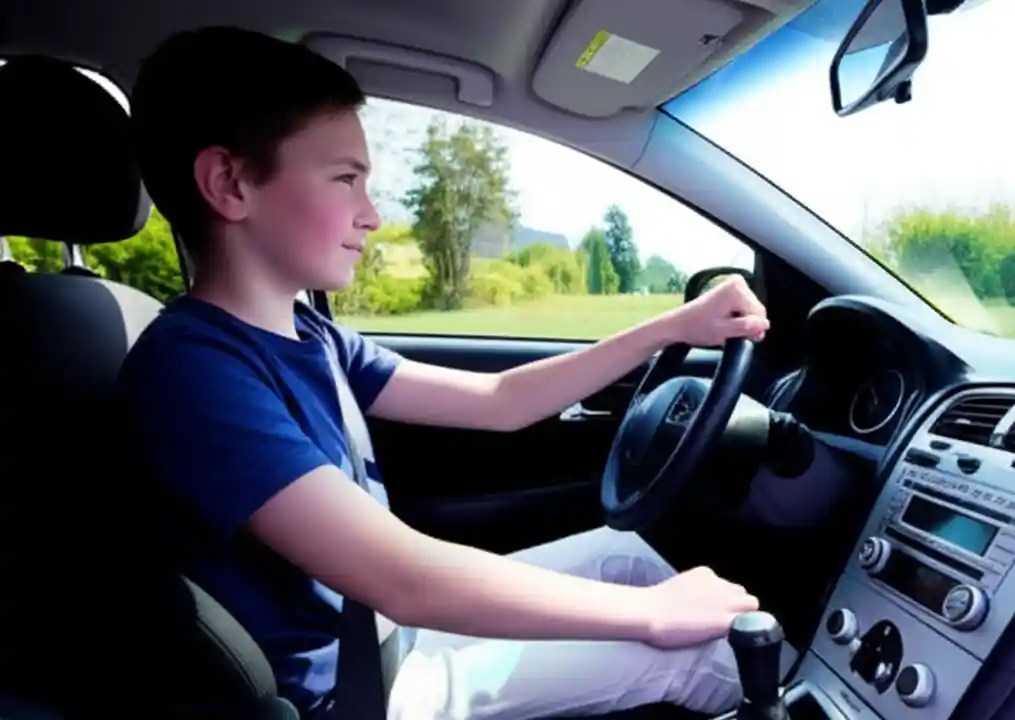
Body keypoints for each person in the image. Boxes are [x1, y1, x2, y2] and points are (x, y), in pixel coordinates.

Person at [118, 26, 774, 720]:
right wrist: (648, 617)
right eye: (345, 179)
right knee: (706, 650)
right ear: (230, 183)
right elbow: (403, 578)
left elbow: (501, 399)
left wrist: (672, 328)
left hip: (381, 632)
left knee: (627, 556)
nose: (371, 216)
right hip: (357, 688)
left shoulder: (312, 334)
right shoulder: (193, 373)